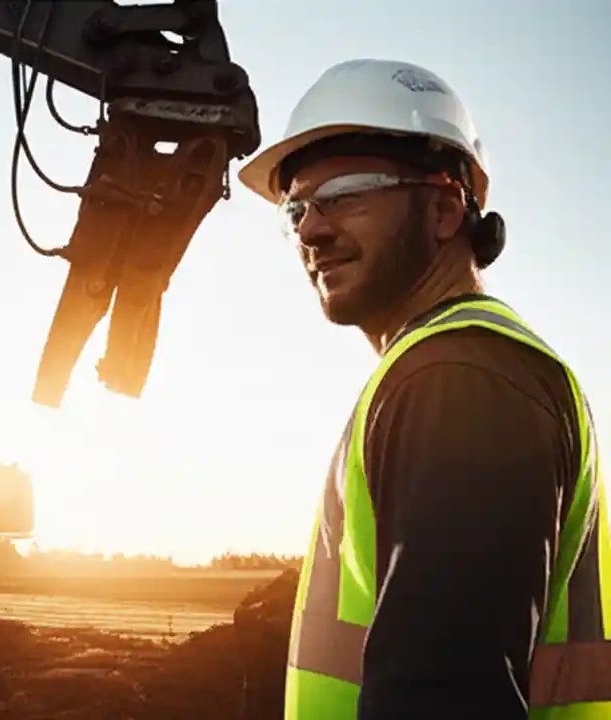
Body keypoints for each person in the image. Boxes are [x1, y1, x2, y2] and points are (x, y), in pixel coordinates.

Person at [236, 58, 611, 719]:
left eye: (347, 193)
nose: (311, 231)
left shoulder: (460, 381)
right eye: (296, 209)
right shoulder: (446, 369)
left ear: (444, 209)